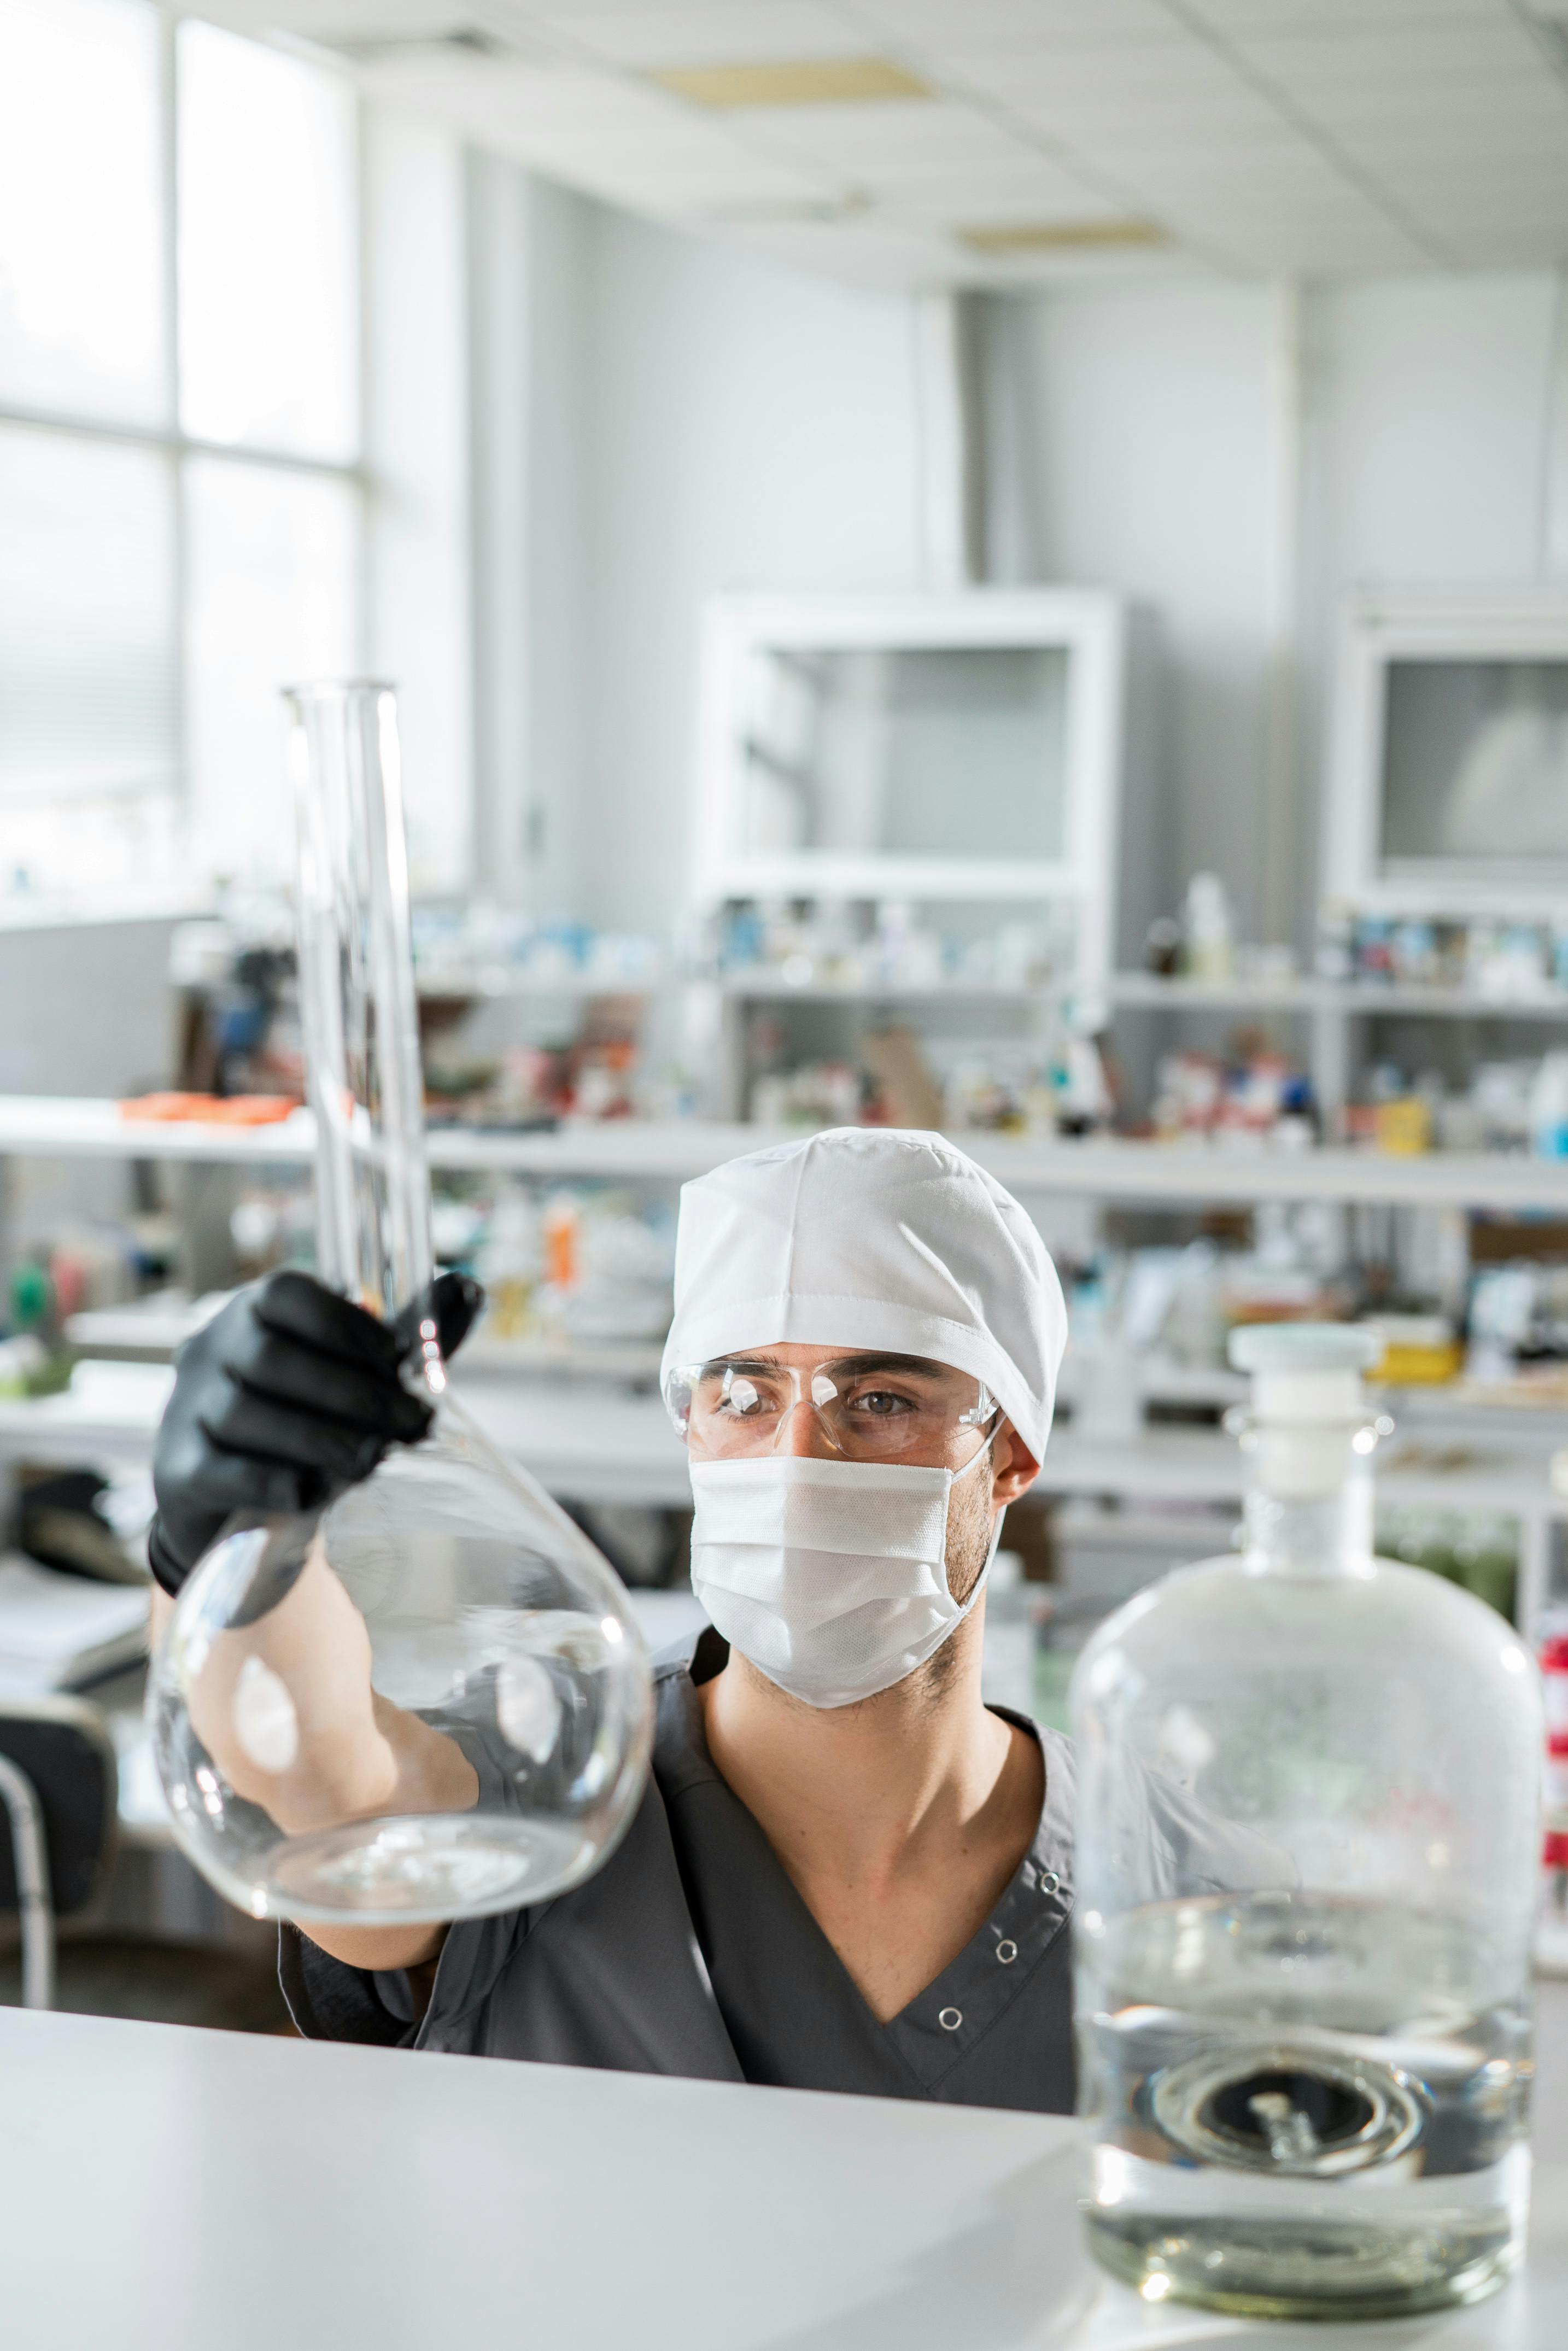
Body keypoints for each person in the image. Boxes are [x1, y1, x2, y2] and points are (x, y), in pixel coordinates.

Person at [147, 1128, 1219, 2112]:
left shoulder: (1180, 1885)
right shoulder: (546, 1781)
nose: (798, 1457)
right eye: (745, 1395)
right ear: (690, 1425)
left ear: (1013, 1455)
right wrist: (222, 1534)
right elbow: (325, 1781)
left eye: (881, 1399)